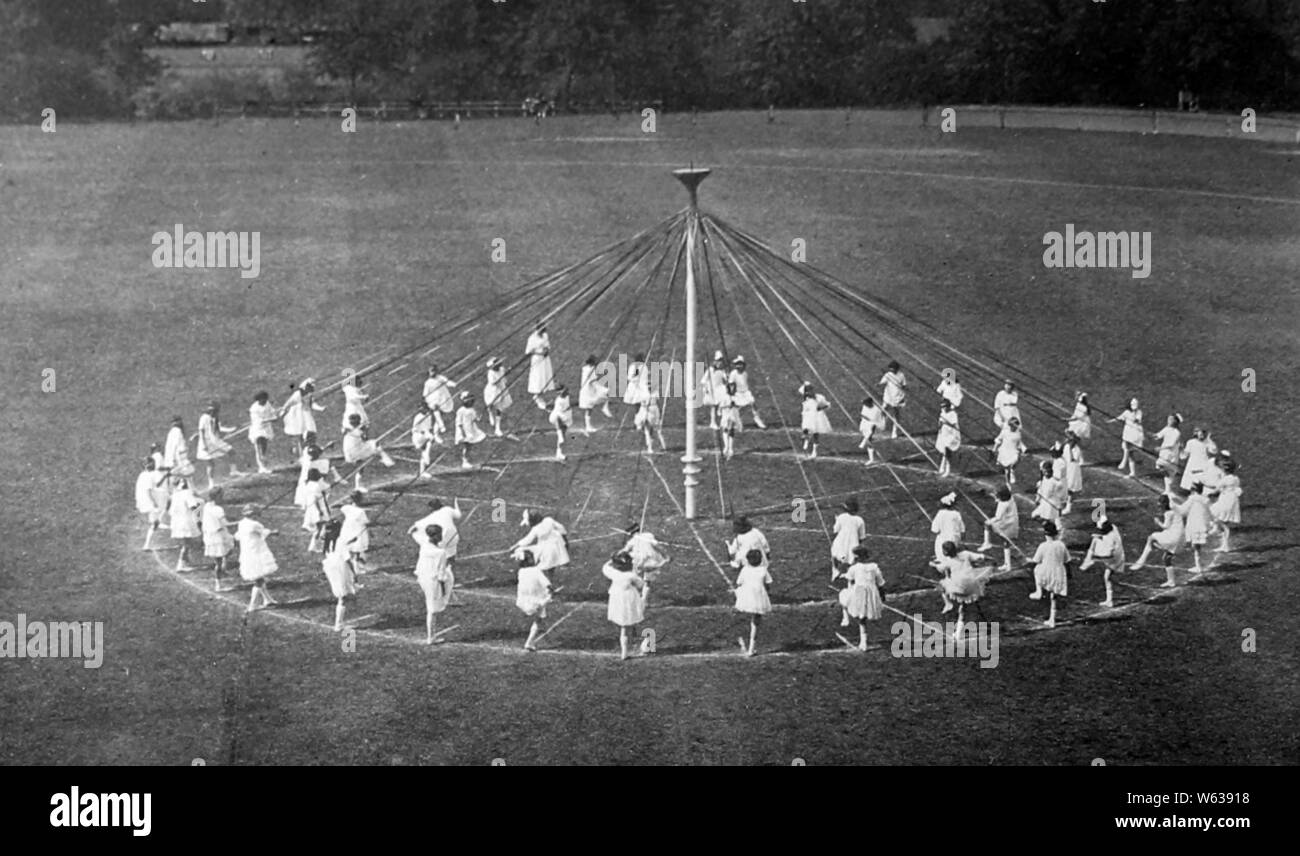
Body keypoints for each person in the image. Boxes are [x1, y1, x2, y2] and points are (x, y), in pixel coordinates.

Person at [935, 541, 991, 635]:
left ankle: (948, 604)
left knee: (941, 584)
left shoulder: (948, 562)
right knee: (964, 605)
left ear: (945, 552)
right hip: (973, 584)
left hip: (960, 587)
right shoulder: (965, 554)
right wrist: (992, 560)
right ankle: (962, 623)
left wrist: (934, 564)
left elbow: (939, 568)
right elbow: (982, 557)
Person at [1129, 494, 1185, 588]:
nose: (1159, 506)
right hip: (1180, 536)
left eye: (1160, 504)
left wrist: (1158, 522)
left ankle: (1141, 561)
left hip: (1174, 536)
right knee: (1166, 558)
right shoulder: (1174, 507)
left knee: (1151, 538)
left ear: (1164, 503)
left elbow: (1165, 526)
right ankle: (1171, 581)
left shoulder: (1168, 513)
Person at [413, 523, 454, 644]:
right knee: (432, 609)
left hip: (422, 577)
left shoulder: (424, 543)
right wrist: (444, 588)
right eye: (440, 534)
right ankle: (431, 638)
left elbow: (414, 534)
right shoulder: (440, 553)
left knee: (432, 607)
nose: (442, 536)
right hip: (432, 581)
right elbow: (441, 575)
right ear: (435, 536)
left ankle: (432, 635)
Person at [602, 551, 647, 660]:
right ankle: (626, 651)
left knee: (624, 627)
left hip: (617, 600)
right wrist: (636, 573)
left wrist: (612, 560)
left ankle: (624, 653)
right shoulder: (630, 575)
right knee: (627, 626)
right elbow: (640, 584)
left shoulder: (613, 572)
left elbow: (605, 567)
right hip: (628, 600)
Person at [838, 545, 884, 650]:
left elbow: (850, 583)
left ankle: (846, 618)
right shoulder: (874, 567)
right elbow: (880, 583)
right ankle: (863, 642)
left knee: (843, 596)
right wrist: (882, 595)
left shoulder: (853, 568)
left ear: (857, 557)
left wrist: (846, 577)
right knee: (863, 617)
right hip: (872, 594)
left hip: (859, 593)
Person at [236, 505, 280, 612]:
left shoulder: (241, 523)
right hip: (256, 553)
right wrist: (274, 532)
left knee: (259, 578)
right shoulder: (255, 524)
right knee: (259, 580)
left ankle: (267, 600)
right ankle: (252, 605)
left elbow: (238, 536)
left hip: (248, 553)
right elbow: (264, 532)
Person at [512, 510, 570, 587]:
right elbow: (561, 527)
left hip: (546, 549)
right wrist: (564, 537)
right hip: (558, 546)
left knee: (542, 567)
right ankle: (550, 583)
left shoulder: (535, 529)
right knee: (552, 566)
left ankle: (545, 586)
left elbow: (527, 540)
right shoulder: (549, 520)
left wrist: (516, 545)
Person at [1029, 521, 1069, 628]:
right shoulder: (1061, 545)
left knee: (1036, 569)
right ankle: (1052, 620)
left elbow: (1036, 561)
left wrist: (1030, 560)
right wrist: (1068, 575)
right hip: (1059, 573)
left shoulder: (1042, 546)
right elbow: (1067, 561)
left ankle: (1039, 591)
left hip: (1046, 573)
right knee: (1054, 596)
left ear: (1045, 534)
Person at [342, 413, 395, 492]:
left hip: (351, 451)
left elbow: (362, 438)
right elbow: (364, 438)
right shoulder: (357, 431)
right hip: (355, 451)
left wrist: (364, 429)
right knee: (375, 443)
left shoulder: (349, 429)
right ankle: (385, 459)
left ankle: (358, 486)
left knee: (361, 464)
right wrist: (365, 430)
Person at [733, 549, 772, 657]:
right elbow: (768, 585)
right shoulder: (763, 570)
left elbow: (739, 583)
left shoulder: (745, 570)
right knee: (755, 623)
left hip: (747, 597)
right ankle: (751, 649)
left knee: (753, 619)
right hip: (759, 597)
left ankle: (751, 649)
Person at [320, 519, 356, 632]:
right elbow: (347, 559)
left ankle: (339, 623)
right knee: (342, 597)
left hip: (330, 567)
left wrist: (350, 541)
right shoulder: (340, 541)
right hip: (340, 567)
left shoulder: (327, 540)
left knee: (341, 593)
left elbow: (338, 546)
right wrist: (354, 574)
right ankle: (338, 624)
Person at [1081, 518, 1125, 608]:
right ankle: (1110, 600)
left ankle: (1088, 561)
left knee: (1094, 542)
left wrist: (1096, 557)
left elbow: (1108, 554)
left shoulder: (1109, 538)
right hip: (1118, 554)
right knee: (1107, 577)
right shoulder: (1113, 528)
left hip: (1114, 558)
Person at [515, 550, 552, 652]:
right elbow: (547, 584)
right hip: (536, 602)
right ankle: (529, 643)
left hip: (522, 601)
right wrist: (550, 593)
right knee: (539, 620)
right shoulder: (536, 571)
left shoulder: (521, 572)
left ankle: (532, 640)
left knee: (536, 616)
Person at [977, 484, 1019, 572]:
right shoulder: (1010, 498)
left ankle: (988, 544)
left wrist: (990, 521)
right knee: (1006, 542)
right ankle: (1007, 564)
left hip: (1006, 523)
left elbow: (998, 517)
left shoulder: (1003, 505)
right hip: (1011, 521)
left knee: (988, 525)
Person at [202, 487, 237, 591]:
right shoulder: (218, 509)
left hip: (209, 536)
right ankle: (219, 584)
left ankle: (222, 570)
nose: (222, 498)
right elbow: (226, 523)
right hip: (219, 536)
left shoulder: (207, 506)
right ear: (217, 496)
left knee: (227, 551)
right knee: (221, 559)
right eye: (221, 496)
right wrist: (242, 521)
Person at [280, 378, 324, 457]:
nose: (311, 389)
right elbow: (288, 404)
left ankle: (308, 453)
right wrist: (283, 411)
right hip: (297, 416)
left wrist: (320, 408)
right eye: (309, 387)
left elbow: (312, 404)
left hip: (306, 416)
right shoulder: (298, 394)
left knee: (310, 433)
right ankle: (301, 455)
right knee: (299, 436)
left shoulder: (309, 394)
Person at [195, 401, 236, 486]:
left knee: (231, 451)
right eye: (215, 411)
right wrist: (204, 444)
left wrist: (230, 430)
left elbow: (218, 429)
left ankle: (233, 471)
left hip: (215, 442)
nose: (216, 413)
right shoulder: (204, 418)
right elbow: (201, 431)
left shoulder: (214, 418)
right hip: (208, 444)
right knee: (210, 463)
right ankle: (211, 483)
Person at [167, 477, 203, 572]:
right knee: (187, 544)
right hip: (186, 521)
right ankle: (180, 565)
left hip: (176, 522)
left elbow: (170, 511)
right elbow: (194, 507)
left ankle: (186, 561)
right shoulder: (187, 493)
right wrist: (200, 518)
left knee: (186, 543)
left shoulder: (174, 495)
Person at [1177, 482, 1213, 574]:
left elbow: (1182, 511)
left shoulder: (1192, 499)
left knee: (1195, 546)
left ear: (1193, 490)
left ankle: (1198, 566)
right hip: (1203, 524)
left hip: (1194, 524)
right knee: (1197, 545)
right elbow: (1210, 512)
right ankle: (1199, 565)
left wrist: (1173, 505)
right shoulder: (1206, 500)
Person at [134, 457, 168, 551]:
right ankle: (146, 545)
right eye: (151, 463)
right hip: (150, 502)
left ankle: (157, 521)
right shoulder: (148, 476)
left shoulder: (143, 474)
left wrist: (165, 476)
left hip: (145, 502)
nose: (153, 465)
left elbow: (155, 485)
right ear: (147, 465)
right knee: (154, 524)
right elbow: (148, 491)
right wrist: (154, 503)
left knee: (156, 520)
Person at [831, 497, 866, 581]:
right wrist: (858, 543)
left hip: (840, 542)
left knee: (836, 556)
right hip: (853, 543)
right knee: (852, 558)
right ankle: (849, 574)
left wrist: (836, 520)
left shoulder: (842, 517)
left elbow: (835, 530)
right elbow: (862, 536)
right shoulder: (860, 520)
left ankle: (836, 573)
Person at [1211, 457, 1241, 552]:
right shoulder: (1236, 478)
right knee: (1223, 522)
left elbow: (1216, 489)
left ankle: (1223, 541)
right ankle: (1225, 544)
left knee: (1214, 514)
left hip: (1225, 499)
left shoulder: (1224, 480)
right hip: (1233, 500)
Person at [338, 492, 371, 577]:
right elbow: (366, 521)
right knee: (357, 550)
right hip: (358, 530)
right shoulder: (360, 511)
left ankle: (351, 566)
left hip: (347, 529)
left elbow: (343, 509)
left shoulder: (346, 508)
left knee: (349, 547)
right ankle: (356, 569)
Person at [1110, 397, 1144, 478]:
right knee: (1130, 453)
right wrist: (1111, 421)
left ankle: (1123, 461)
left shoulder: (1139, 412)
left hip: (1135, 433)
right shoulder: (1126, 412)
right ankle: (1132, 473)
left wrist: (1135, 415)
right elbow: (1119, 418)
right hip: (1128, 432)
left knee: (1126, 446)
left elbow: (1138, 420)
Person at [422, 365, 457, 443]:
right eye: (431, 371)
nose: (433, 373)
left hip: (443, 398)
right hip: (434, 400)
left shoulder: (440, 378)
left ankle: (438, 431)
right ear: (429, 373)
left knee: (441, 415)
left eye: (434, 371)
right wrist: (429, 402)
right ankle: (437, 432)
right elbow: (425, 394)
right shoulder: (428, 383)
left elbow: (447, 382)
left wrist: (454, 384)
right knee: (438, 415)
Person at [578, 355, 613, 433]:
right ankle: (588, 426)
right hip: (589, 390)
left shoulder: (586, 368)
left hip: (592, 388)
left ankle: (605, 407)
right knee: (589, 408)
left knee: (607, 392)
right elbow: (594, 379)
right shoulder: (589, 370)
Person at [300, 469, 331, 553]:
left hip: (311, 508)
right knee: (320, 528)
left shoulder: (308, 484)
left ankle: (315, 546)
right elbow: (316, 499)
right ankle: (314, 546)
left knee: (319, 528)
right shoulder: (316, 486)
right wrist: (320, 511)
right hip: (317, 508)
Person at [729, 356, 765, 429]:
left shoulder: (745, 373)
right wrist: (732, 395)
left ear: (743, 365)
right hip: (737, 393)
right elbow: (731, 385)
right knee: (736, 408)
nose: (738, 366)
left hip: (746, 392)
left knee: (753, 404)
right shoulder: (733, 374)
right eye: (736, 364)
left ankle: (757, 420)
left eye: (739, 364)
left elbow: (745, 383)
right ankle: (735, 422)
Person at [454, 391, 487, 469]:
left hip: (470, 430)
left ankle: (466, 460)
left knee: (469, 446)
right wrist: (463, 433)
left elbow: (476, 419)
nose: (470, 403)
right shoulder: (461, 411)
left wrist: (481, 414)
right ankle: (464, 461)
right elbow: (459, 423)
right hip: (464, 431)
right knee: (466, 446)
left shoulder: (472, 410)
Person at [248, 390, 278, 474]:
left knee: (264, 447)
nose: (264, 401)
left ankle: (263, 466)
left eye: (265, 399)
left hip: (266, 429)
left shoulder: (267, 403)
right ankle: (262, 467)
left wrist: (274, 414)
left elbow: (271, 411)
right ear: (258, 399)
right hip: (258, 429)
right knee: (259, 447)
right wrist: (272, 419)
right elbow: (259, 421)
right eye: (262, 399)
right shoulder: (254, 409)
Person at [525, 324, 555, 409]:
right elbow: (528, 352)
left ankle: (540, 396)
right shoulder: (532, 338)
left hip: (545, 359)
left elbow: (547, 345)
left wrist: (546, 350)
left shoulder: (545, 335)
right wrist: (540, 353)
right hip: (537, 360)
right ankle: (537, 396)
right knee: (537, 377)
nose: (543, 332)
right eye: (541, 331)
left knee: (544, 376)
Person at [1152, 414, 1183, 496]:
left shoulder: (1177, 433)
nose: (1168, 420)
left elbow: (1171, 445)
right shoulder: (1166, 429)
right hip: (1164, 454)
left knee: (1170, 472)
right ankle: (1168, 490)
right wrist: (1154, 436)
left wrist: (1160, 448)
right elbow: (1159, 435)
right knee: (1160, 466)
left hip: (1171, 455)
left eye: (1170, 419)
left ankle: (1168, 490)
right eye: (1168, 419)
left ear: (1175, 421)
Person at [798, 382, 831, 459]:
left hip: (816, 418)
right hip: (807, 417)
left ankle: (814, 451)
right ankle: (806, 443)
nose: (809, 392)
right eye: (807, 391)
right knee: (806, 431)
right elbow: (801, 390)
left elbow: (827, 405)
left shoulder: (819, 397)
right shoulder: (805, 399)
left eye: (810, 390)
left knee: (815, 434)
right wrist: (805, 384)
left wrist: (820, 408)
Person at [1179, 427, 1217, 493]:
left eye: (1203, 434)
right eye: (1200, 434)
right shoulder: (1191, 442)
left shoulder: (1207, 443)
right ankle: (1191, 493)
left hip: (1203, 465)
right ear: (1196, 434)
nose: (1202, 436)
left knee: (1200, 482)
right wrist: (1181, 449)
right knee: (1191, 482)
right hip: (1193, 464)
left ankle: (1197, 493)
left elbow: (1214, 451)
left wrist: (1209, 439)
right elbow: (1184, 456)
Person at [482, 357, 513, 437]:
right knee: (491, 405)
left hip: (502, 389)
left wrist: (507, 372)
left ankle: (497, 428)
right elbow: (493, 382)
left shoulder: (502, 369)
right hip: (493, 391)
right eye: (496, 365)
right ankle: (490, 414)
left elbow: (504, 377)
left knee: (499, 409)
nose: (499, 365)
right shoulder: (491, 373)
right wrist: (503, 376)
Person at [929, 492, 964, 561]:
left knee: (939, 542)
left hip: (944, 541)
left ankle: (941, 558)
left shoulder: (940, 514)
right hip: (955, 539)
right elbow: (962, 529)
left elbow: (935, 530)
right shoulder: (957, 514)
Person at [700, 351, 729, 430]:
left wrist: (726, 377)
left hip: (719, 390)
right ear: (715, 361)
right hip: (711, 390)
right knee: (713, 407)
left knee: (724, 404)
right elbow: (703, 381)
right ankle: (713, 423)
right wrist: (705, 388)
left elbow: (726, 380)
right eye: (718, 361)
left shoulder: (722, 371)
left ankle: (724, 422)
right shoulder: (710, 370)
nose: (720, 363)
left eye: (721, 361)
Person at [993, 416, 1026, 485]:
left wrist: (1021, 451)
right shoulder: (1005, 432)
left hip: (1013, 451)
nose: (1015, 428)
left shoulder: (1018, 434)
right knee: (1006, 468)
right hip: (1005, 451)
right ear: (1010, 425)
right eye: (1013, 426)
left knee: (1015, 461)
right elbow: (999, 439)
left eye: (1016, 426)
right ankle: (1007, 482)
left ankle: (1011, 472)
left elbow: (1018, 443)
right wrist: (994, 448)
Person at [878, 360, 906, 438]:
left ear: (896, 368)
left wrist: (900, 388)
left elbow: (904, 385)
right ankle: (882, 421)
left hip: (897, 397)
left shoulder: (901, 375)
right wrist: (879, 384)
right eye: (890, 368)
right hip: (888, 396)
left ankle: (894, 432)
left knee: (896, 415)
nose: (891, 370)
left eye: (892, 368)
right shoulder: (888, 375)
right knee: (883, 409)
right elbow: (883, 382)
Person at [1031, 460, 1065, 524]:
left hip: (1051, 505)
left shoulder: (1055, 482)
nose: (1046, 473)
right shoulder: (1043, 480)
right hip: (1044, 504)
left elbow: (1057, 494)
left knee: (1052, 522)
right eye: (1044, 471)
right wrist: (1038, 499)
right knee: (1034, 516)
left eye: (1047, 471)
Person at [717, 381, 742, 460]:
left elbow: (739, 405)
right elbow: (720, 407)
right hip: (726, 415)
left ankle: (730, 448)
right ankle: (726, 447)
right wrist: (727, 406)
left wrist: (735, 405)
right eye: (730, 387)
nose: (732, 389)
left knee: (731, 431)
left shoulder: (736, 397)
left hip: (733, 415)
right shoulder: (725, 397)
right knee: (725, 430)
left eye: (733, 387)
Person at [935, 401, 961, 477]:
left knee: (948, 451)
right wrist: (940, 425)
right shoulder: (942, 413)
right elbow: (940, 423)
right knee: (944, 451)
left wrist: (945, 422)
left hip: (951, 434)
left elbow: (954, 424)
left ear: (948, 406)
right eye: (942, 407)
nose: (943, 408)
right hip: (944, 433)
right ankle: (942, 467)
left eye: (945, 406)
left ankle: (947, 470)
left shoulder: (953, 414)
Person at [548, 383, 573, 462]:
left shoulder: (566, 395)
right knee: (561, 437)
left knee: (564, 433)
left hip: (566, 414)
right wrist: (559, 430)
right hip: (559, 416)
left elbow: (567, 389)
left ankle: (559, 453)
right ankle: (559, 453)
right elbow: (557, 417)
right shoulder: (559, 401)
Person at [858, 395, 886, 463]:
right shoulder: (865, 406)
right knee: (868, 439)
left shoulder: (876, 410)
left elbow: (873, 420)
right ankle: (865, 441)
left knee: (869, 437)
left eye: (865, 403)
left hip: (874, 424)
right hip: (865, 423)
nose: (864, 404)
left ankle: (864, 443)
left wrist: (863, 416)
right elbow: (863, 415)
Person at [411, 402, 436, 476]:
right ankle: (426, 457)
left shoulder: (429, 416)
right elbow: (415, 429)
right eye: (420, 408)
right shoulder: (418, 417)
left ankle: (422, 471)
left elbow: (429, 427)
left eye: (424, 408)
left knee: (426, 448)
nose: (422, 409)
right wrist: (426, 434)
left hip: (426, 435)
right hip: (418, 436)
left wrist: (430, 434)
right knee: (425, 448)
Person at [1066, 392, 1092, 458]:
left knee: (1074, 441)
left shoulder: (1083, 408)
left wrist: (1066, 419)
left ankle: (1075, 457)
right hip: (1078, 424)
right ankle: (1077, 457)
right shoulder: (1080, 405)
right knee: (1074, 441)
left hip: (1081, 425)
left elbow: (1076, 418)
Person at [1062, 431, 1083, 513]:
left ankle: (1068, 507)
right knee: (1065, 488)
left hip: (1073, 470)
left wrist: (1070, 449)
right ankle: (1066, 504)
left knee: (1071, 489)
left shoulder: (1076, 449)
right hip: (1067, 468)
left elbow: (1072, 459)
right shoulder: (1066, 446)